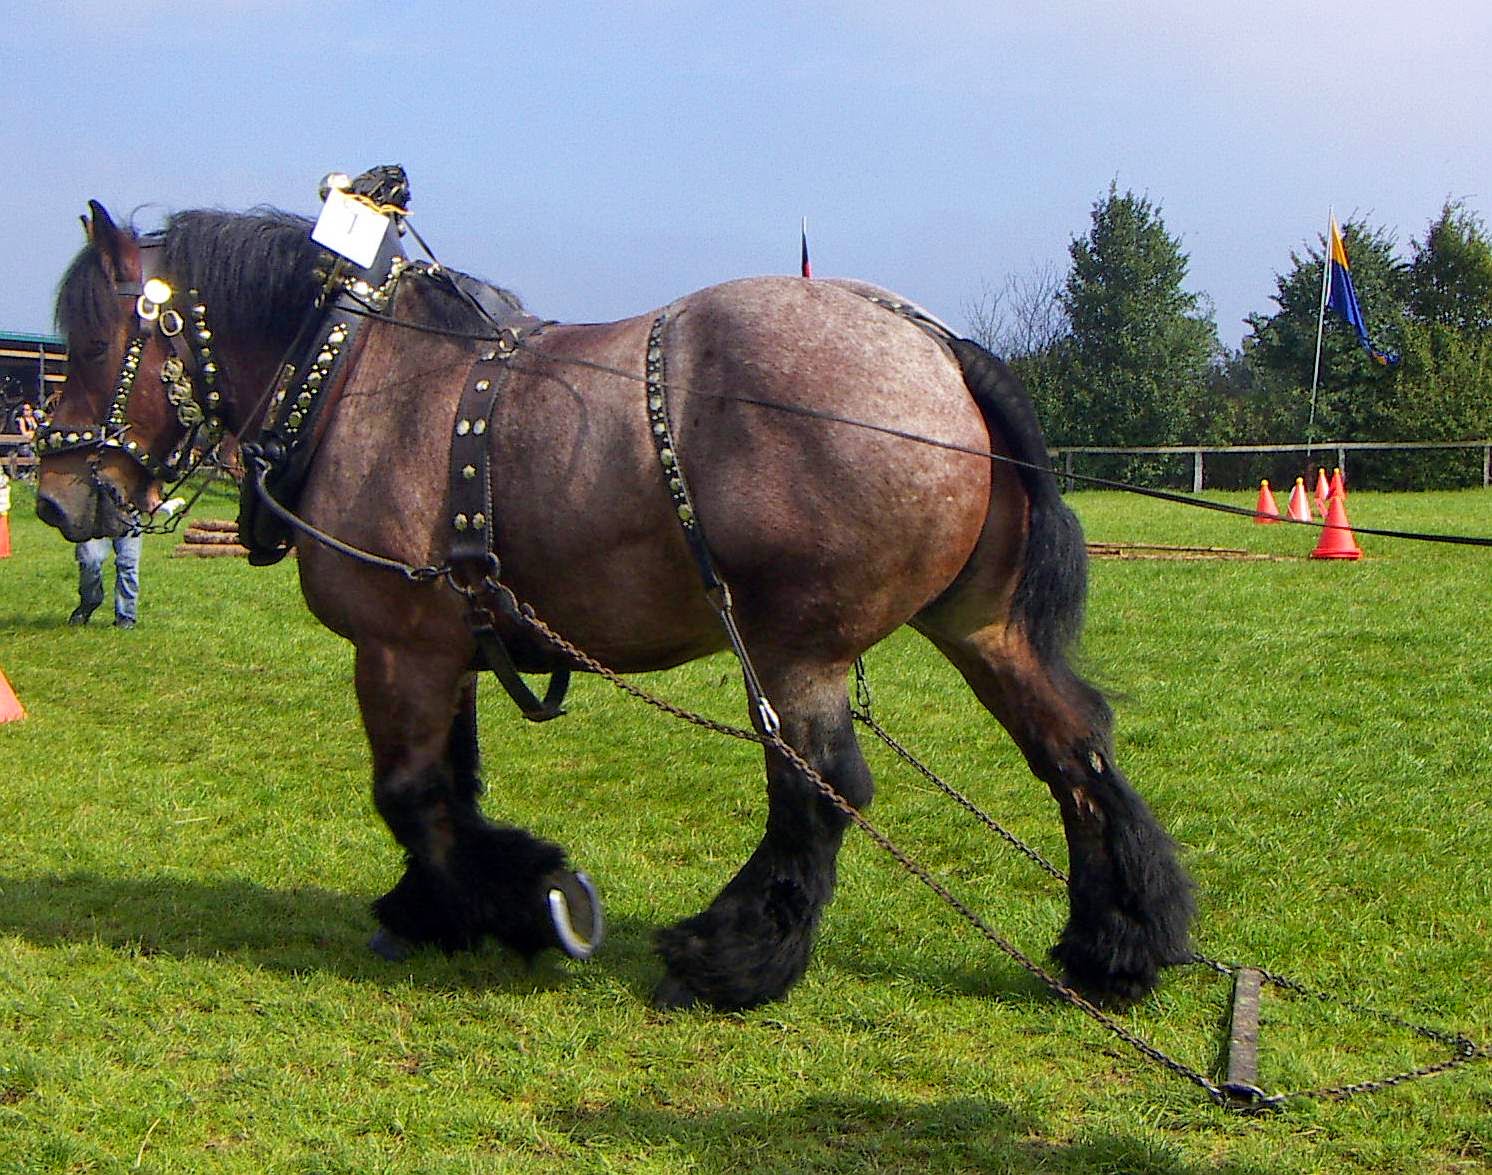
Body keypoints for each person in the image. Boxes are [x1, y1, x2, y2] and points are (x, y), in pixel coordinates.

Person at [67, 496, 184, 629]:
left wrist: (158, 503)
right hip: (96, 515)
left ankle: (126, 617)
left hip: (129, 515)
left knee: (128, 564)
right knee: (89, 561)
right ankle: (89, 603)